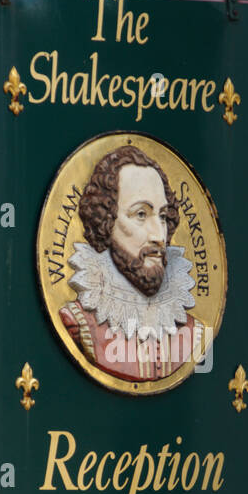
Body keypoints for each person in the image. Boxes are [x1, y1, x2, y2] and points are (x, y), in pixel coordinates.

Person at [59, 143, 205, 382]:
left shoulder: (193, 333)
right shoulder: (78, 324)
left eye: (163, 216)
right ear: (105, 220)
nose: (159, 235)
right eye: (140, 214)